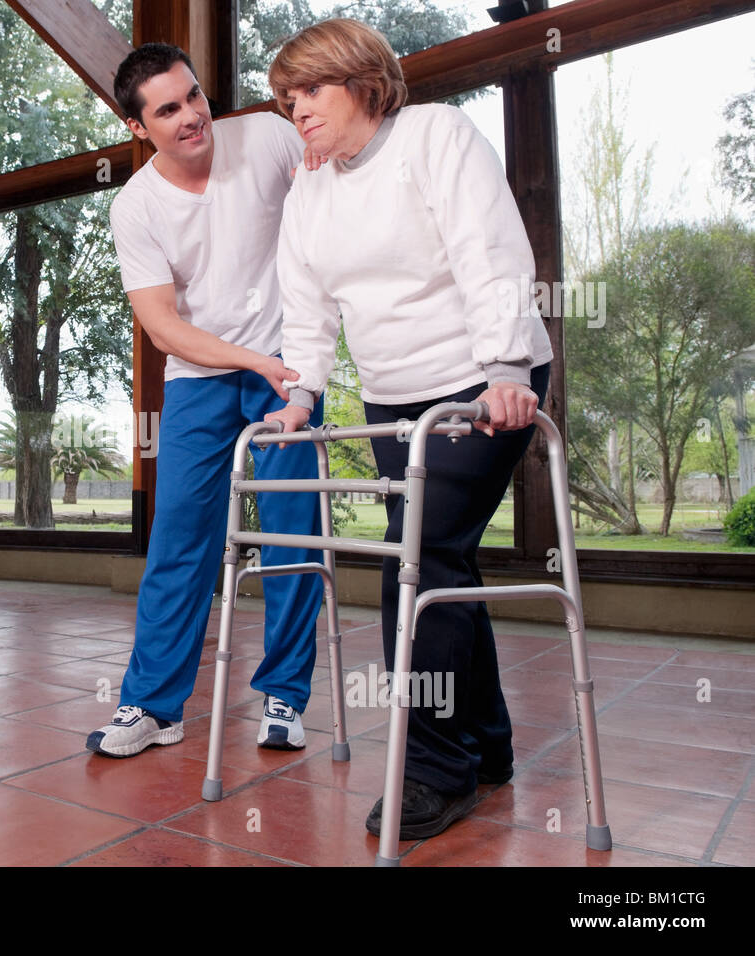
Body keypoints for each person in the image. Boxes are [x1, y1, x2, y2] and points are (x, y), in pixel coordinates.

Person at [263, 19, 554, 839]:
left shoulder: (434, 135)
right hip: (394, 400)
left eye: (311, 90)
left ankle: (435, 770)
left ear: (361, 81)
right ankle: (487, 747)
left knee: (419, 563)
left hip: (480, 384)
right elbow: (310, 309)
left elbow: (487, 249)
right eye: (288, 100)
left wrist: (503, 365)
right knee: (440, 560)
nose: (299, 111)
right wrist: (301, 393)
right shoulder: (311, 191)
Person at [86, 42, 327, 757]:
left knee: (292, 531)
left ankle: (284, 695)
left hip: (283, 365)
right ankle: (155, 706)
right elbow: (164, 327)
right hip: (200, 374)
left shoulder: (269, 136)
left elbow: (326, 207)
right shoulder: (136, 209)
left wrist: (299, 362)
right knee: (180, 536)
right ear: (139, 128)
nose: (193, 116)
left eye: (193, 95)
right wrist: (251, 359)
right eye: (168, 109)